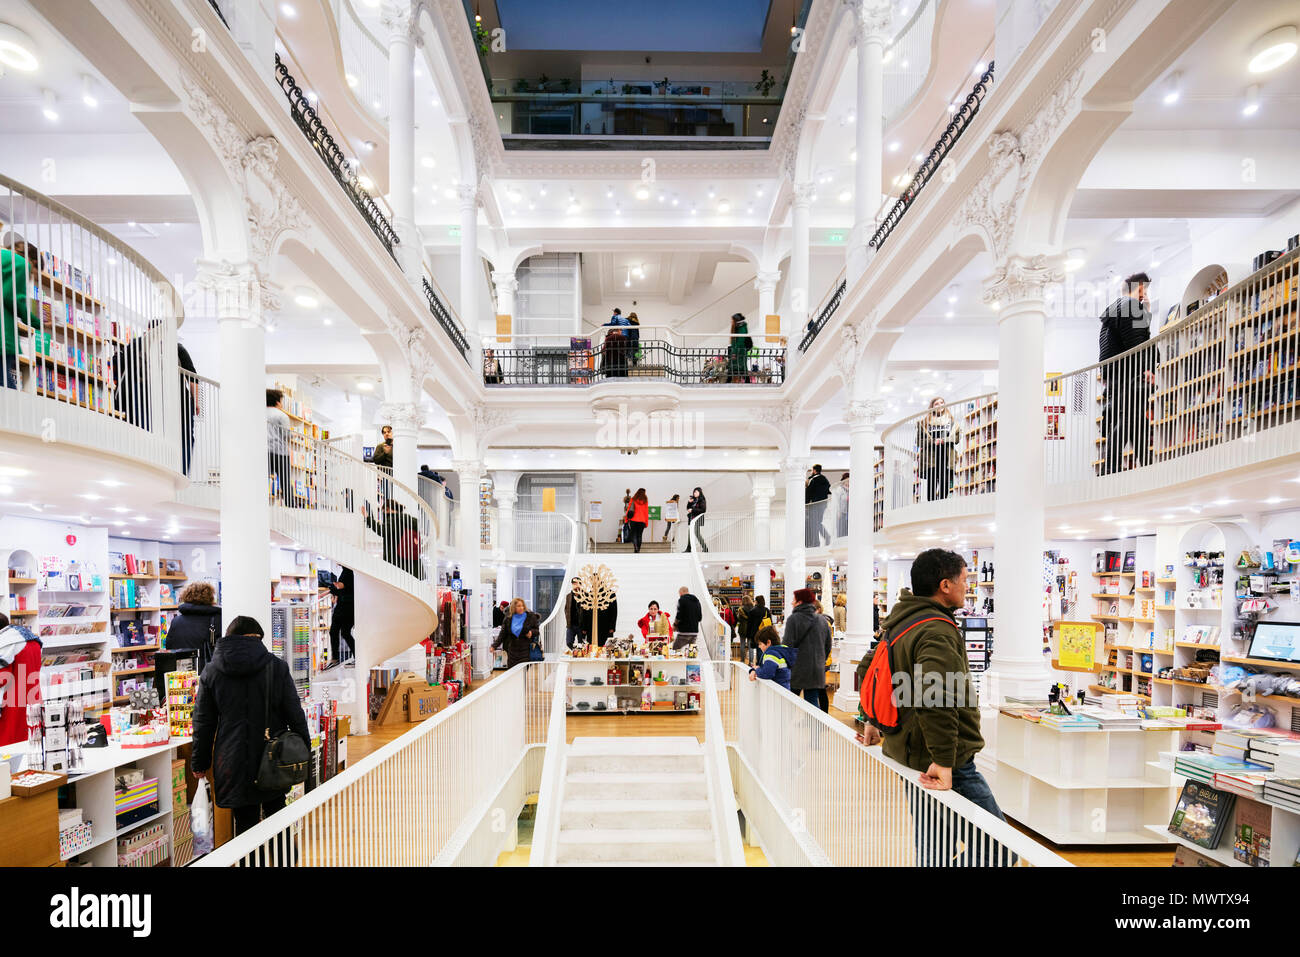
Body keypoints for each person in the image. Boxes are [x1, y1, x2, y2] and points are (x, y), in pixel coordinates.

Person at [872, 548, 1004, 862]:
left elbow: (871, 669)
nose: (967, 586)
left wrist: (872, 719)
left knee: (934, 846)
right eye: (963, 579)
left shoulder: (901, 620)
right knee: (1000, 845)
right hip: (944, 760)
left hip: (911, 750)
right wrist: (944, 761)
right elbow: (937, 699)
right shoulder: (937, 630)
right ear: (945, 585)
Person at [191, 615, 311, 837]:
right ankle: (287, 858)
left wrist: (200, 762)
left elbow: (203, 722)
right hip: (273, 757)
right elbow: (295, 714)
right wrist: (305, 749)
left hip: (231, 759)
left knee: (245, 824)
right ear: (258, 637)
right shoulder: (277, 667)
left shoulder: (211, 671)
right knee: (277, 813)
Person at [1099, 272, 1155, 474]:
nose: (1145, 295)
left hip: (1115, 375)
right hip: (1130, 374)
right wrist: (1148, 368)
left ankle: (1146, 464)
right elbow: (1138, 341)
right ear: (1139, 288)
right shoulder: (1133, 307)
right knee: (1129, 417)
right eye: (1145, 290)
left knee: (1135, 418)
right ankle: (1110, 467)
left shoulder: (1112, 312)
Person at [784, 587, 831, 711]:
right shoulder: (822, 620)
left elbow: (787, 646)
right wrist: (820, 661)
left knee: (788, 702)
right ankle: (815, 729)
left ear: (800, 602)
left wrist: (787, 665)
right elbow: (828, 645)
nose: (792, 603)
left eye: (794, 600)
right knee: (812, 702)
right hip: (816, 669)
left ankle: (783, 728)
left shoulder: (793, 619)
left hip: (797, 669)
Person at [1, 234, 38, 390]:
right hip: (3, 337)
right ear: (32, 262)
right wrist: (37, 322)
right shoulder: (21, 264)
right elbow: (14, 298)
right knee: (7, 388)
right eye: (34, 274)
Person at [0, 612, 42, 747]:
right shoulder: (32, 641)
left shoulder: (5, 644)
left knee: (9, 756)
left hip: (10, 709)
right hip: (32, 703)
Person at [165, 581, 222, 675]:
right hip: (208, 673)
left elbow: (169, 647)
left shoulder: (176, 621)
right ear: (210, 597)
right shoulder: (218, 619)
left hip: (182, 675)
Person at [362, 497, 421, 577]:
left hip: (396, 560)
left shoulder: (394, 519)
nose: (383, 515)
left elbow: (382, 531)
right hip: (412, 562)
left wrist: (368, 518)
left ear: (387, 509)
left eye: (383, 512)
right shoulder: (410, 520)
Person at [916, 397, 960, 502]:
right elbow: (919, 441)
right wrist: (932, 441)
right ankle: (932, 507)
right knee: (932, 483)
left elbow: (957, 438)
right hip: (930, 458)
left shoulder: (952, 422)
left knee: (945, 482)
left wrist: (945, 440)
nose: (939, 405)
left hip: (946, 457)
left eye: (942, 402)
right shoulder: (924, 423)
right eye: (936, 403)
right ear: (932, 407)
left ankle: (942, 505)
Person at [492, 597, 540, 669]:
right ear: (514, 607)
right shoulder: (508, 618)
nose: (521, 607)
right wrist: (494, 646)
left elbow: (537, 630)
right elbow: (502, 634)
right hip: (512, 651)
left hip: (525, 650)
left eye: (522, 605)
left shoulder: (530, 617)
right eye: (519, 606)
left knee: (522, 672)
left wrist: (531, 632)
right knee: (512, 672)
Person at [266, 388, 294, 505]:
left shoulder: (256, 413)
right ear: (277, 402)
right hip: (280, 452)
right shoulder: (281, 415)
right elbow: (286, 434)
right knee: (285, 481)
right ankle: (291, 506)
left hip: (264, 452)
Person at [747, 625, 793, 691]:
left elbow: (766, 673)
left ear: (768, 642)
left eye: (760, 644)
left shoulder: (772, 654)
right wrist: (754, 670)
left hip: (778, 693)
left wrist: (756, 670)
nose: (759, 646)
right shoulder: (780, 651)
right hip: (784, 691)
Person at [177, 342, 199, 476]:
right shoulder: (177, 348)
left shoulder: (140, 345)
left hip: (152, 401)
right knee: (186, 438)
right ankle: (183, 474)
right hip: (181, 400)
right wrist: (196, 402)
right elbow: (192, 378)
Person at [327, 567, 355, 665]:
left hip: (345, 608)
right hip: (347, 608)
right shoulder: (348, 571)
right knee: (344, 633)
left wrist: (333, 589)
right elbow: (343, 589)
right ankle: (356, 656)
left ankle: (335, 658)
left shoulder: (348, 572)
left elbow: (342, 589)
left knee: (337, 631)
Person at [804, 464, 831, 547]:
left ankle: (817, 542)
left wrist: (806, 503)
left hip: (814, 505)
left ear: (814, 470)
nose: (811, 472)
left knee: (814, 523)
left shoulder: (813, 479)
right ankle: (824, 538)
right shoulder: (824, 479)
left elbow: (809, 492)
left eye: (812, 470)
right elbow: (828, 491)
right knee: (817, 522)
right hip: (823, 505)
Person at [727, 312, 752, 383]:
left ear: (736, 320)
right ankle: (747, 381)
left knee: (738, 367)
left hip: (739, 351)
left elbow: (740, 341)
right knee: (738, 367)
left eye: (732, 320)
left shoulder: (741, 328)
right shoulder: (739, 327)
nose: (731, 322)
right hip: (738, 351)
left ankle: (728, 381)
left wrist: (734, 352)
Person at [745, 594, 769, 666]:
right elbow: (770, 622)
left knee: (756, 648)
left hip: (754, 633)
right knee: (762, 649)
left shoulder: (752, 611)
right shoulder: (766, 610)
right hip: (764, 632)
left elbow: (749, 624)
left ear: (757, 601)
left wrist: (748, 635)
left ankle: (757, 663)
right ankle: (761, 663)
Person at [626, 487, 649, 553]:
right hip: (642, 521)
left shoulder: (633, 499)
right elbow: (646, 512)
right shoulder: (645, 501)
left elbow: (629, 509)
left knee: (634, 535)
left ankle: (635, 547)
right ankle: (638, 549)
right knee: (640, 535)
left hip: (633, 520)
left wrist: (627, 519)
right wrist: (646, 523)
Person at [685, 487, 707, 553]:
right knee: (689, 534)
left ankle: (705, 548)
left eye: (696, 492)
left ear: (700, 492)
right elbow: (688, 508)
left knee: (697, 534)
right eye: (694, 492)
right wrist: (689, 502)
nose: (695, 493)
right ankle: (688, 549)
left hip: (697, 520)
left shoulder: (702, 500)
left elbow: (703, 510)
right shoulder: (694, 500)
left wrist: (692, 510)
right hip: (691, 519)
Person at [564, 579, 584, 648]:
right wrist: (567, 619)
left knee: (582, 645)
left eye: (578, 584)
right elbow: (566, 609)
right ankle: (574, 653)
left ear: (581, 585)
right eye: (574, 584)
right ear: (572, 585)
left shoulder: (585, 596)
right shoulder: (568, 596)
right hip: (571, 625)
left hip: (581, 626)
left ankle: (580, 656)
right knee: (569, 643)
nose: (576, 585)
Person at [835, 472, 850, 538]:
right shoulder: (840, 489)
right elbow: (837, 501)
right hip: (841, 513)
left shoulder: (850, 490)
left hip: (849, 513)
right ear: (844, 480)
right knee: (841, 529)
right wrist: (838, 512)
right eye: (848, 480)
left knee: (848, 530)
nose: (849, 482)